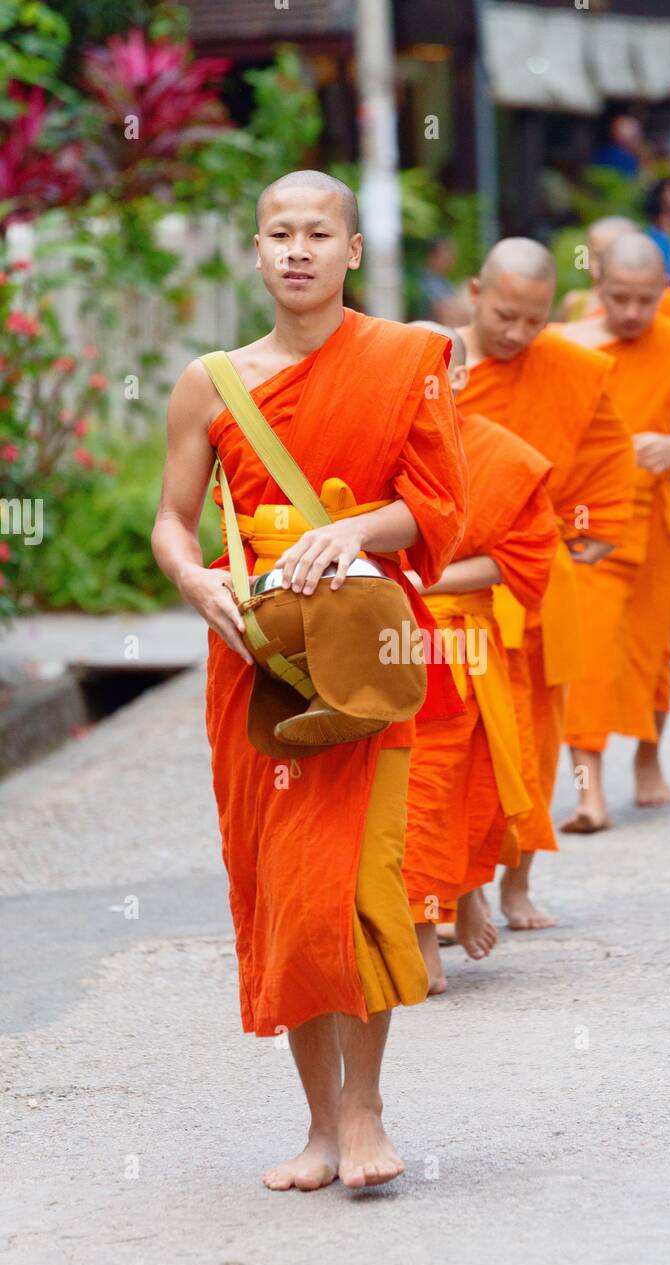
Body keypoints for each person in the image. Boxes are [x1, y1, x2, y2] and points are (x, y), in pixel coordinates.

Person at [151, 170, 467, 1193]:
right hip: (257, 661)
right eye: (278, 233)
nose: (297, 250)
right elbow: (170, 518)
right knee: (286, 889)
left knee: (359, 884)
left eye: (316, 234)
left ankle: (366, 1108)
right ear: (255, 251)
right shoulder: (211, 381)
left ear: (351, 252)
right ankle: (319, 1126)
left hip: (367, 649)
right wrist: (192, 575)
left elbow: (438, 510)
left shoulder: (407, 358)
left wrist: (350, 528)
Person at [457, 238, 635, 927]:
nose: (518, 333)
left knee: (532, 742)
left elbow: (608, 442)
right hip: (452, 588)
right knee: (457, 747)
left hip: (533, 581)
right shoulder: (440, 362)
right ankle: (449, 890)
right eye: (505, 315)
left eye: (534, 320)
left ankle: (516, 886)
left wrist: (600, 526)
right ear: (476, 293)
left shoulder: (566, 366)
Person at [401, 323, 559, 992]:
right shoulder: (373, 450)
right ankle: (422, 926)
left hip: (464, 642)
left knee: (466, 787)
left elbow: (522, 559)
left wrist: (428, 583)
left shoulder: (501, 457)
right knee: (410, 791)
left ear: (462, 379)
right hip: (390, 643)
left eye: (434, 379)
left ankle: (460, 901)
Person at [554, 233, 670, 827]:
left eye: (644, 301)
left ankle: (649, 754)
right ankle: (588, 791)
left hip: (655, 525)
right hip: (587, 525)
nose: (630, 313)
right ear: (597, 286)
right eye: (619, 297)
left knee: (652, 652)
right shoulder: (569, 347)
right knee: (590, 655)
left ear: (664, 294)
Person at [557, 217, 670, 323]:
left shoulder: (665, 304)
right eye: (598, 256)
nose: (603, 265)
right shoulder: (575, 303)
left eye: (616, 256)